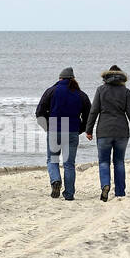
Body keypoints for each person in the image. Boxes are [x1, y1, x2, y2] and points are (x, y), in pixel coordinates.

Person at [85, 64, 130, 202]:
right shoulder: (126, 92)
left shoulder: (100, 90)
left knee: (104, 161)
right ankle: (120, 192)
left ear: (106, 77)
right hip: (122, 131)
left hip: (104, 130)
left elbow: (94, 111)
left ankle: (105, 185)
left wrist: (88, 129)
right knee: (119, 162)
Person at [35, 67, 92, 200]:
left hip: (54, 128)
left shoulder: (51, 91)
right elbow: (88, 115)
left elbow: (39, 112)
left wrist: (47, 127)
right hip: (72, 130)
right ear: (73, 79)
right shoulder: (81, 94)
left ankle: (55, 180)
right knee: (69, 164)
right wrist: (81, 129)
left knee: (52, 160)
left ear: (60, 78)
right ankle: (69, 194)